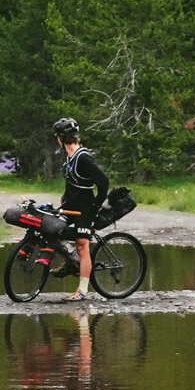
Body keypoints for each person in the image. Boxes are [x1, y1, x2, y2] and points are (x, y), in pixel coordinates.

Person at [52, 117, 109, 301]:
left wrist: (96, 204)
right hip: (70, 206)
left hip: (85, 208)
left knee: (82, 246)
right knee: (52, 230)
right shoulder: (69, 157)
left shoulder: (83, 158)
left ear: (61, 138)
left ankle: (82, 291)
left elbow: (103, 181)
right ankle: (69, 263)